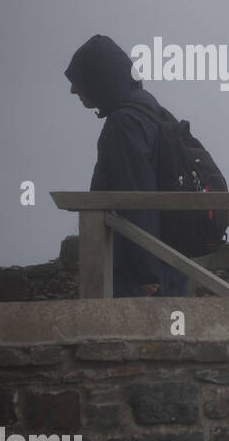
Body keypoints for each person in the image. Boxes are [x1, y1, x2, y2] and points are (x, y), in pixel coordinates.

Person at [65, 34, 189, 298]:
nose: (73, 90)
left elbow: (137, 197)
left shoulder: (124, 123)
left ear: (99, 79)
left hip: (137, 275)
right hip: (171, 262)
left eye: (80, 80)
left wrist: (148, 274)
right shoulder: (152, 110)